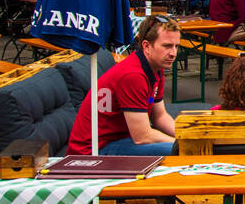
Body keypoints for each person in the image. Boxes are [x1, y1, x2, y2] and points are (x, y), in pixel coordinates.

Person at [66, 16, 180, 155]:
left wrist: (186, 138)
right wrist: (180, 146)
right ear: (146, 46)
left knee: (186, 149)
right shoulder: (133, 76)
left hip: (121, 139)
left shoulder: (155, 68)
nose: (173, 53)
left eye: (176, 46)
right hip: (94, 151)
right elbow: (143, 136)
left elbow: (159, 116)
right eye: (167, 46)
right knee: (180, 152)